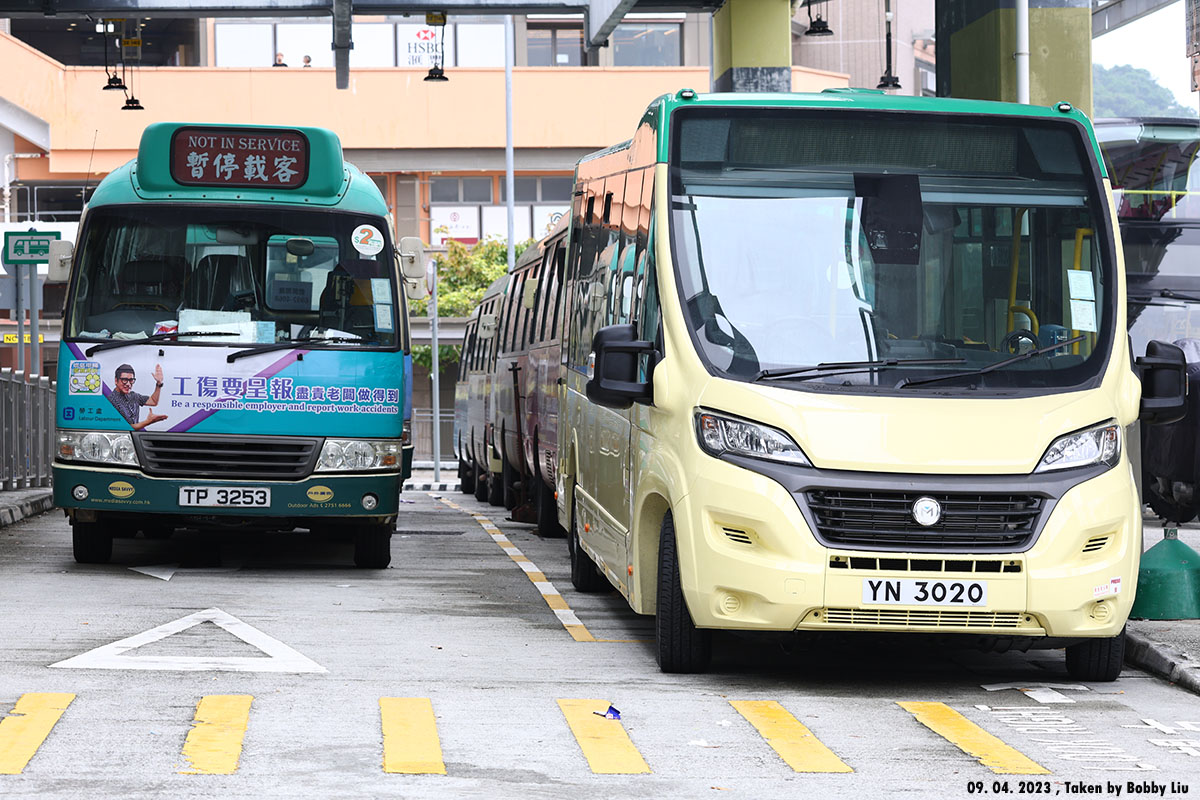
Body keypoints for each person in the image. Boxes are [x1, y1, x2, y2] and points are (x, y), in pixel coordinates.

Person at [109, 363, 168, 430]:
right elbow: (125, 427)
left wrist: (159, 383)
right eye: (124, 380)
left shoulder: (133, 395)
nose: (128, 384)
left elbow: (153, 401)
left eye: (131, 380)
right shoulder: (110, 401)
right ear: (116, 381)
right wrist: (148, 421)